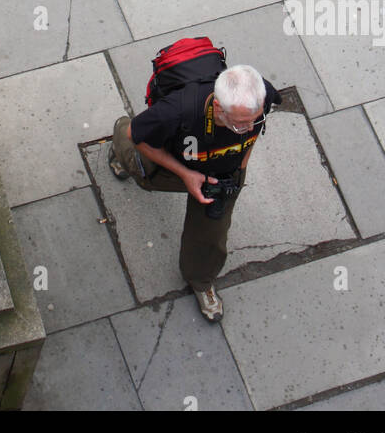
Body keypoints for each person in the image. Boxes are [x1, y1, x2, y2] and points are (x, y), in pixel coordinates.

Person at [109, 63, 280, 322]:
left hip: (221, 174)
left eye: (254, 119)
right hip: (179, 164)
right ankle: (119, 149)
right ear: (218, 108)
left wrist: (239, 169)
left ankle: (200, 281)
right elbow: (138, 135)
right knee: (137, 160)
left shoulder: (261, 98)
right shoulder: (176, 111)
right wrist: (186, 175)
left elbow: (252, 134)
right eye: (239, 124)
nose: (248, 127)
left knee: (212, 232)